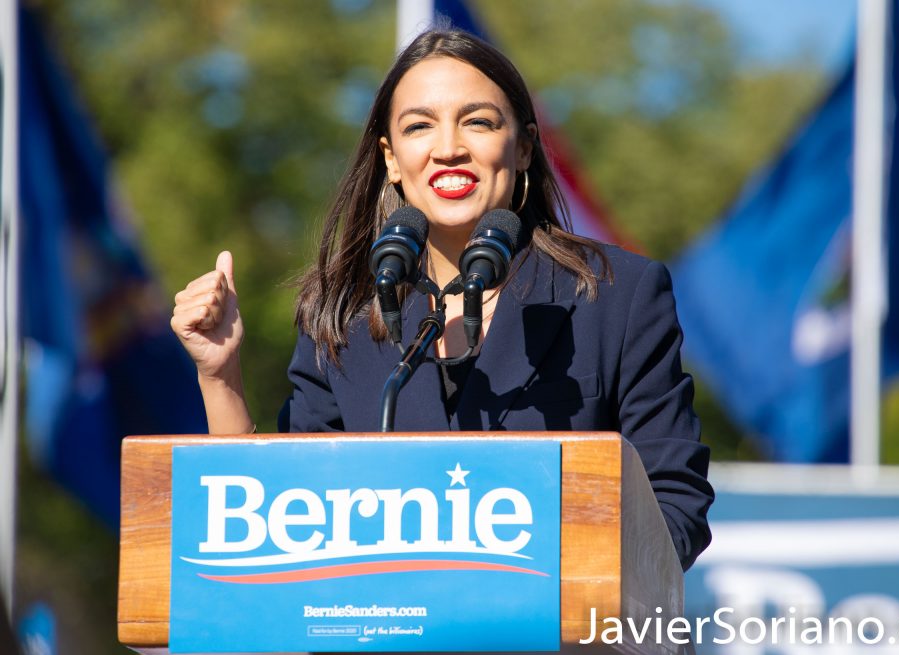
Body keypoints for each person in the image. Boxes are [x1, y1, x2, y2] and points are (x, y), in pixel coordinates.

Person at [171, 29, 713, 570]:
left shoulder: (616, 294)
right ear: (390, 158)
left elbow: (674, 509)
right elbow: (275, 522)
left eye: (478, 122)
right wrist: (220, 376)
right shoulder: (341, 311)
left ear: (523, 147)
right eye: (419, 126)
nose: (448, 148)